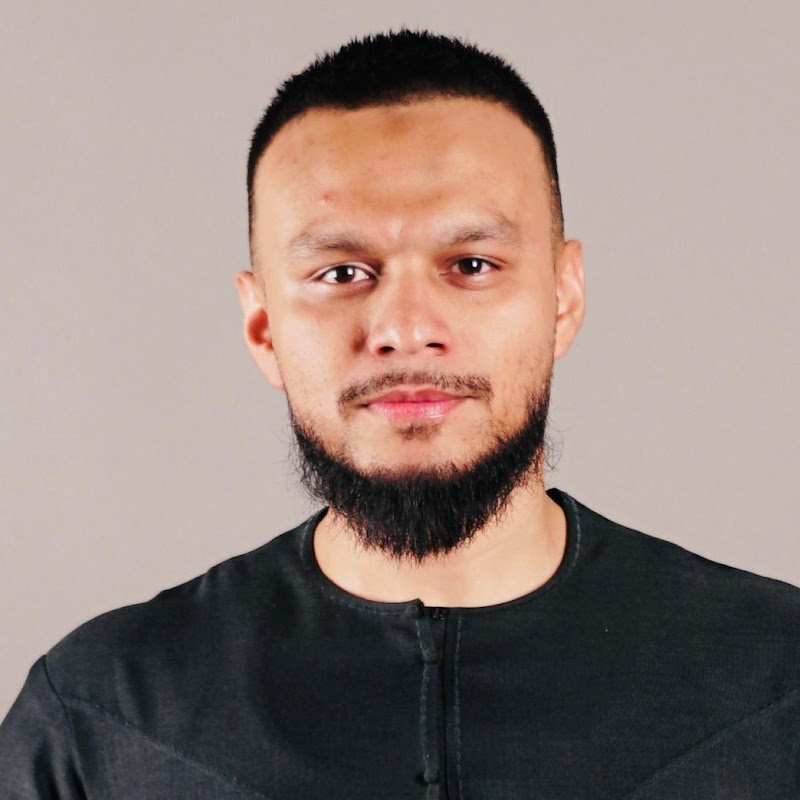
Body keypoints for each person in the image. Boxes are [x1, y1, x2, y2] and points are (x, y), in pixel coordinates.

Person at [1, 29, 798, 799]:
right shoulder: (101, 718)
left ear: (563, 299)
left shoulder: (777, 685)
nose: (406, 328)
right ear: (263, 327)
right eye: (342, 272)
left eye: (472, 264)